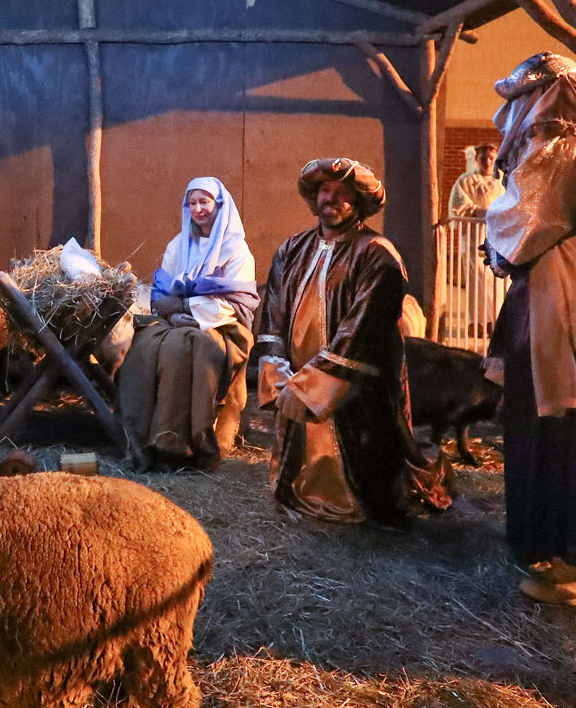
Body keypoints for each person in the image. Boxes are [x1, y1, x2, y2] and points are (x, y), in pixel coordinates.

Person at [482, 52, 576, 606]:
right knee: (567, 416)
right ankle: (561, 544)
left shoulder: (564, 145)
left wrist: (496, 246)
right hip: (564, 294)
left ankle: (574, 553)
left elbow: (530, 221)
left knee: (563, 418)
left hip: (567, 301)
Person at [255, 158, 451, 527]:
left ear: (359, 203)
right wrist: (278, 371)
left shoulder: (378, 255)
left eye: (342, 194)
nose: (331, 199)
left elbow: (365, 331)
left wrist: (313, 385)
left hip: (358, 390)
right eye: (324, 192)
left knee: (370, 469)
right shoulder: (291, 250)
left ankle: (362, 502)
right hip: (297, 379)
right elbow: (273, 317)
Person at [118, 177, 258, 468]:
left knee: (197, 347)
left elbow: (233, 301)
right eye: (192, 203)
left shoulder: (237, 250)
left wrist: (184, 307)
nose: (198, 209)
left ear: (219, 206)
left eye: (204, 202)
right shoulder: (179, 245)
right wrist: (172, 313)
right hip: (176, 322)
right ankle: (145, 439)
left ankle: (186, 444)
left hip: (221, 326)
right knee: (145, 343)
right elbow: (162, 291)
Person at [448, 143, 502, 217]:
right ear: (476, 159)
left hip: (496, 225)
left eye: (491, 158)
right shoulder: (465, 180)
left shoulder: (504, 180)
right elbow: (458, 206)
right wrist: (479, 212)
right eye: (483, 159)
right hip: (473, 225)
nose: (487, 162)